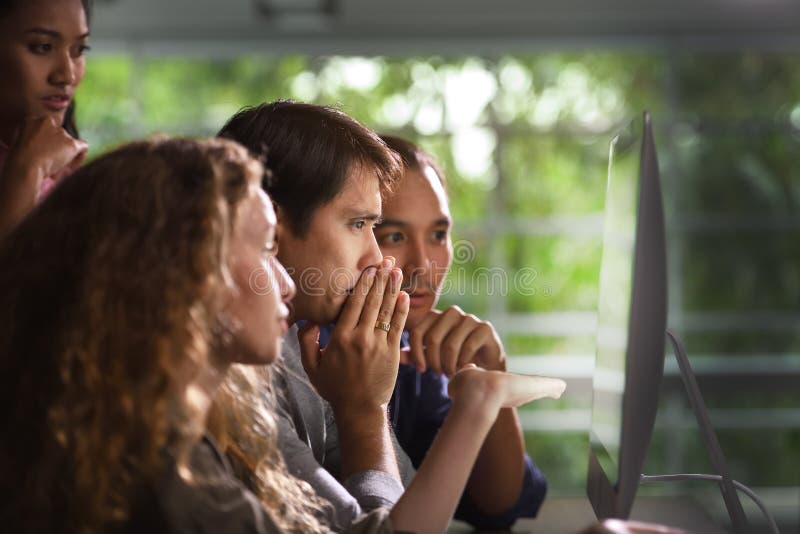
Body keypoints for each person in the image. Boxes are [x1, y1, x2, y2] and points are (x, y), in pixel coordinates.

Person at [0, 136, 566, 533]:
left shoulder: (208, 419)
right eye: (375, 229)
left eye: (440, 233)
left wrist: (484, 384)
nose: (410, 265)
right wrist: (368, 410)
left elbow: (505, 504)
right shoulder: (177, 468)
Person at [373, 134, 548, 528]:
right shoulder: (309, 353)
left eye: (438, 235)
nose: (424, 266)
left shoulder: (410, 351)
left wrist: (492, 373)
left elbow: (500, 502)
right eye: (394, 236)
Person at [0, 0, 91, 237]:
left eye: (79, 50)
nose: (67, 75)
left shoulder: (66, 175)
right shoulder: (32, 168)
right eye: (42, 47)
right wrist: (27, 171)